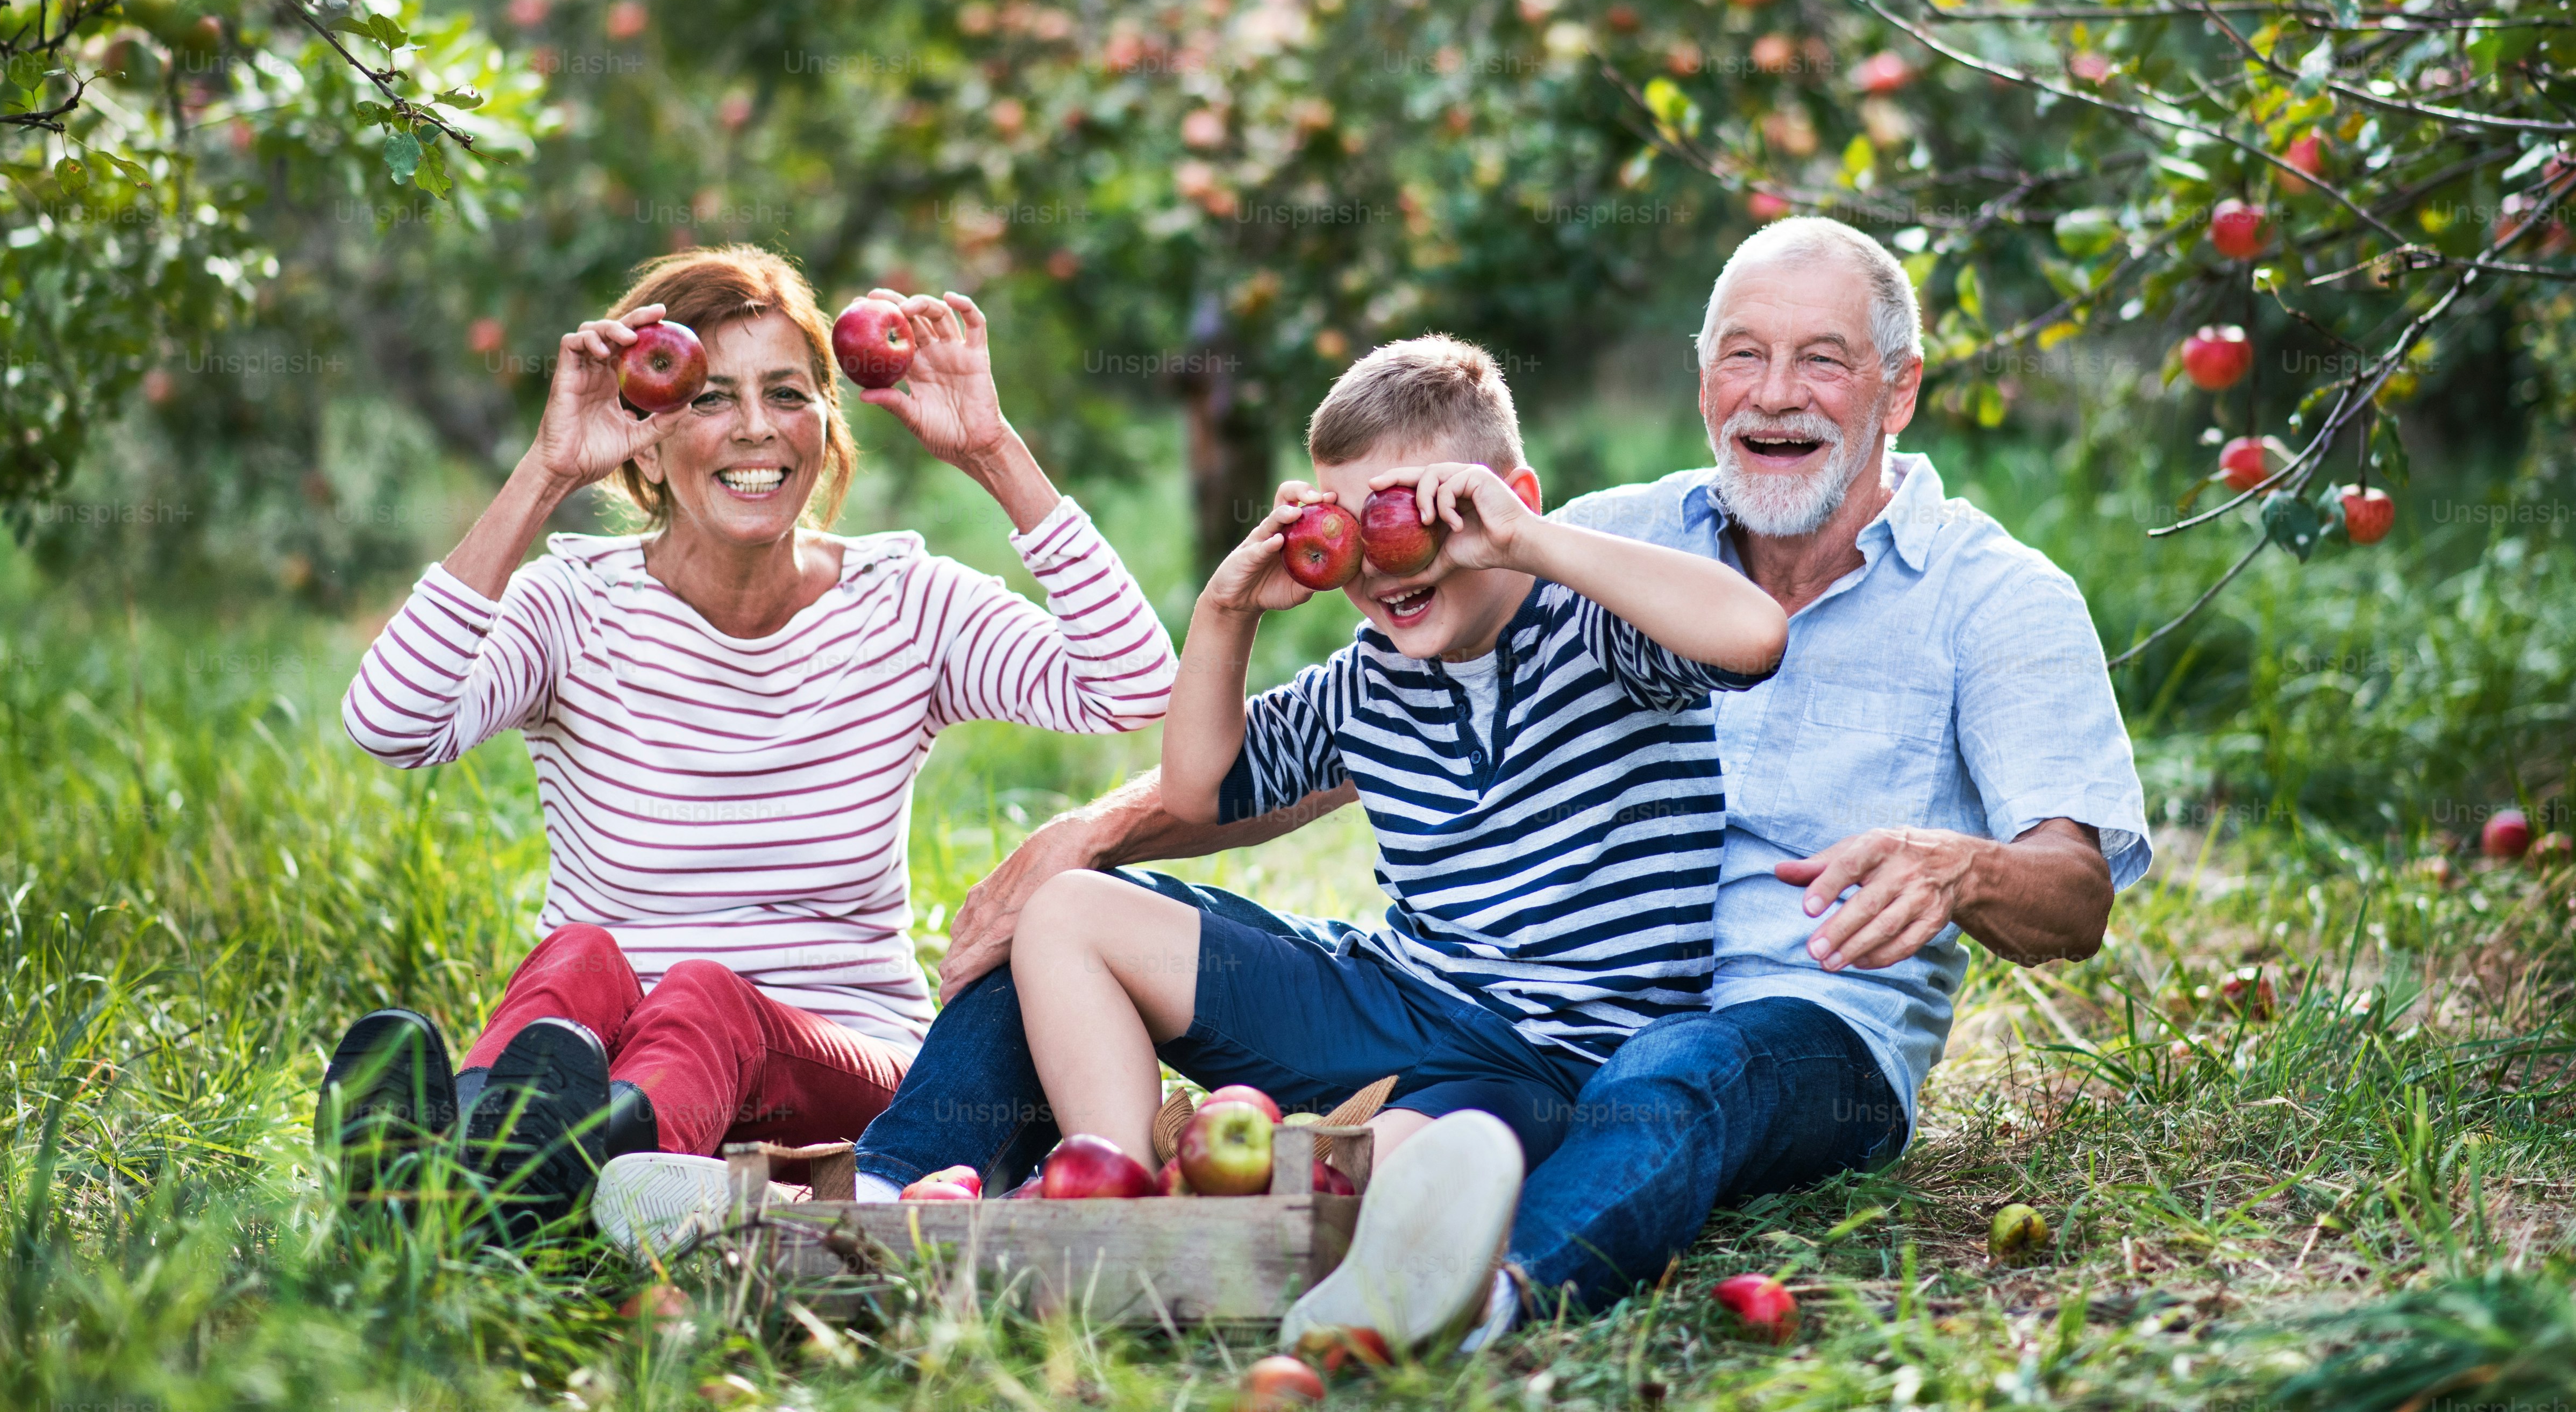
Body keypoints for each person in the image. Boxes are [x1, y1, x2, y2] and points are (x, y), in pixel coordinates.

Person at [848, 217, 2150, 1340]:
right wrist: (1087, 831)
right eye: (1744, 353)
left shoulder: (1977, 597)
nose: (1775, 391)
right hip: (1444, 996)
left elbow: (2069, 890)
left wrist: (1957, 862)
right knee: (1066, 914)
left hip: (1765, 1020)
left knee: (1632, 1085)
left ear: (1899, 389)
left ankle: (1483, 1286)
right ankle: (900, 1195)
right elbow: (1248, 766)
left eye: (1823, 357)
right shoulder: (1587, 545)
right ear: (1702, 379)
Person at [317, 246, 1176, 1233]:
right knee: (581, 956)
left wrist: (992, 452)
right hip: (611, 1051)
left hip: (847, 1066)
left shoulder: (904, 605)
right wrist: (545, 472)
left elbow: (1133, 686)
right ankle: (467, 1168)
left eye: (788, 393)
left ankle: (512, 1182)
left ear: (826, 425)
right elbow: (390, 724)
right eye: (711, 398)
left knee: (702, 995)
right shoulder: (575, 608)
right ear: (641, 437)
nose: (757, 428)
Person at [1007, 336, 1790, 1349]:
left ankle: (1326, 1248)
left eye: (1418, 516)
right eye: (1353, 525)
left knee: (1402, 1159)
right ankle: (1109, 1195)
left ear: (1507, 499)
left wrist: (1528, 542)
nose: (1384, 560)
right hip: (1397, 998)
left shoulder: (1599, 631)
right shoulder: (1364, 682)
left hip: (1543, 1062)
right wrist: (1226, 607)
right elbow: (1200, 789)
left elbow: (1753, 636)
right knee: (1070, 909)